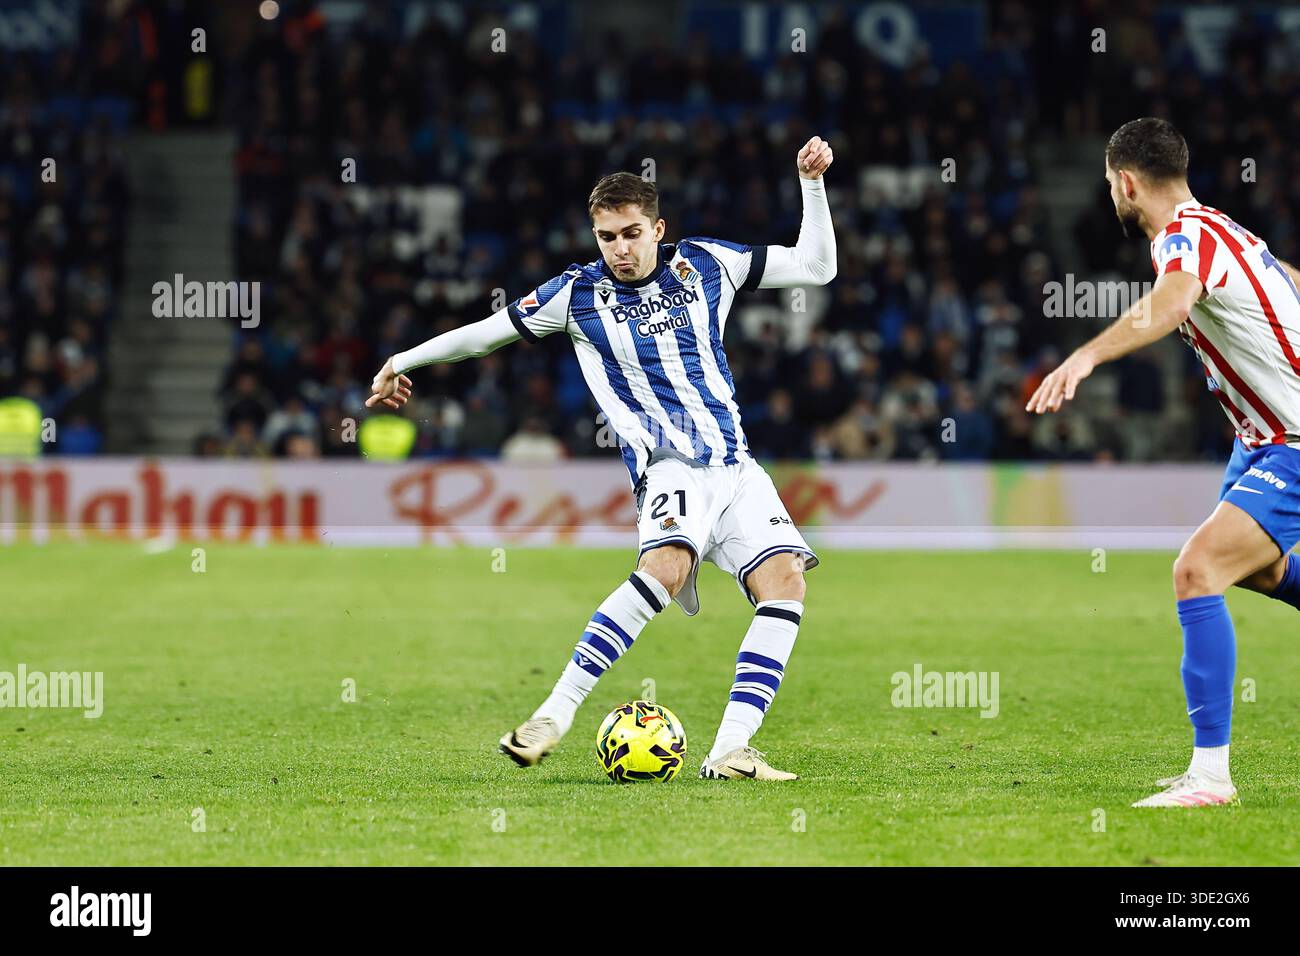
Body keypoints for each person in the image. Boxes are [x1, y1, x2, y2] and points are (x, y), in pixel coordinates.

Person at [367, 137, 837, 780]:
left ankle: (730, 749)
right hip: (669, 465)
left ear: (658, 230)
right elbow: (486, 335)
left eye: (631, 233)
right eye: (606, 236)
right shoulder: (576, 295)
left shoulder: (707, 264)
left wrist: (811, 185)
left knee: (786, 583)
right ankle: (552, 716)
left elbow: (816, 268)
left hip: (736, 464)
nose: (619, 248)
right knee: (667, 568)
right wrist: (402, 360)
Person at [1028, 118, 1300, 807]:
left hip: (1291, 440)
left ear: (1125, 182)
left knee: (1196, 570)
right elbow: (1284, 277)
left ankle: (1211, 778)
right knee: (1263, 571)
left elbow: (1173, 300)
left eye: (1109, 184)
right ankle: (1205, 772)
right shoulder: (1228, 230)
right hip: (1259, 437)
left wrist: (1086, 355)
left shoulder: (1183, 238)